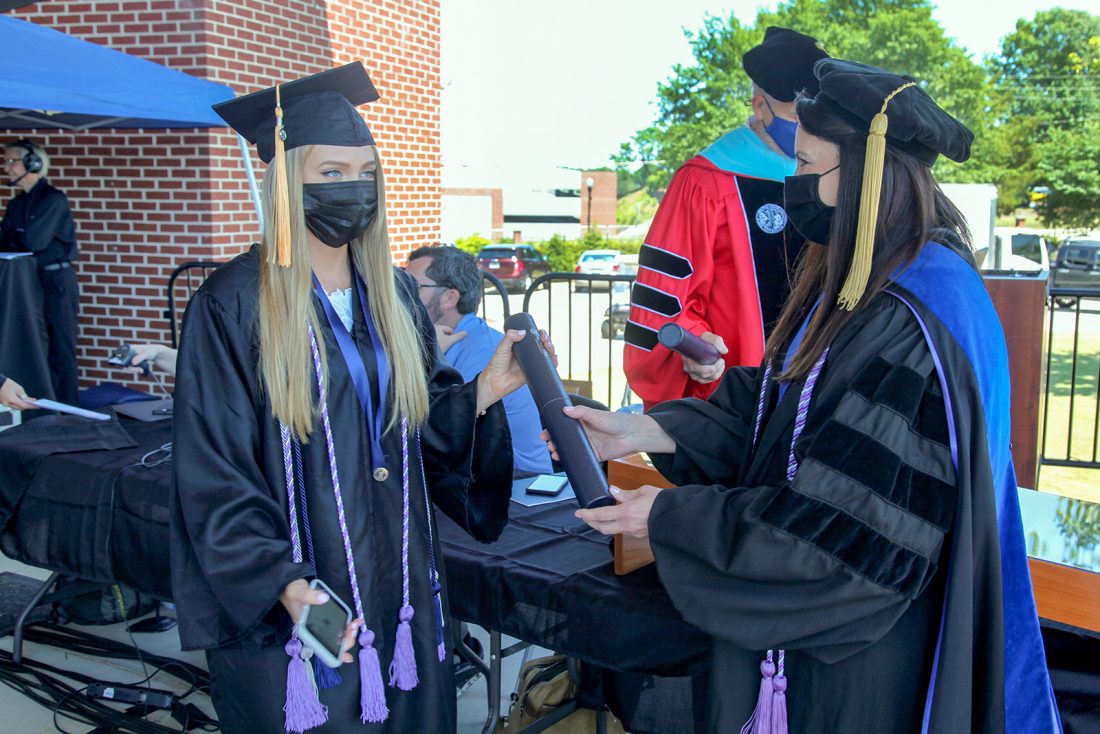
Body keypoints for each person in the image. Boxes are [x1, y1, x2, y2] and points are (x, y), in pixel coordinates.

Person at [563, 59, 1061, 733]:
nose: (792, 184)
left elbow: (847, 536)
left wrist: (671, 520)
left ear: (864, 175)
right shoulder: (872, 283)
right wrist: (647, 431)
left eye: (806, 166)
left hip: (866, 660)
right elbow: (787, 406)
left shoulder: (911, 311)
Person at [170, 63, 536, 733]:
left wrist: (485, 391)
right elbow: (212, 470)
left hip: (402, 588)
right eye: (332, 173)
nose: (354, 189)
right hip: (303, 593)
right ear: (287, 181)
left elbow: (417, 422)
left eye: (365, 172)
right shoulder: (233, 304)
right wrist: (281, 581)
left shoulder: (392, 293)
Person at [624, 27, 828, 409]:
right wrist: (693, 345)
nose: (805, 124)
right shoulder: (708, 179)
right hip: (736, 394)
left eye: (814, 112)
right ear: (759, 106)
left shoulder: (828, 176)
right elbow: (667, 297)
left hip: (817, 393)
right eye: (794, 112)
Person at [406, 245, 552, 476]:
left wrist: (428, 354)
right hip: (480, 480)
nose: (401, 296)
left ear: (449, 298)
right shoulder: (447, 340)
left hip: (518, 488)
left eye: (412, 287)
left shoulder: (483, 352)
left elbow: (434, 437)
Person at [1, 139, 80, 405]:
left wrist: (18, 237)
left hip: (56, 282)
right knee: (37, 347)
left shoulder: (53, 199)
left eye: (11, 161)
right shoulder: (17, 204)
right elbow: (6, 240)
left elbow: (34, 242)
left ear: (32, 163)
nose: (7, 168)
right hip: (30, 283)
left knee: (61, 350)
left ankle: (68, 411)